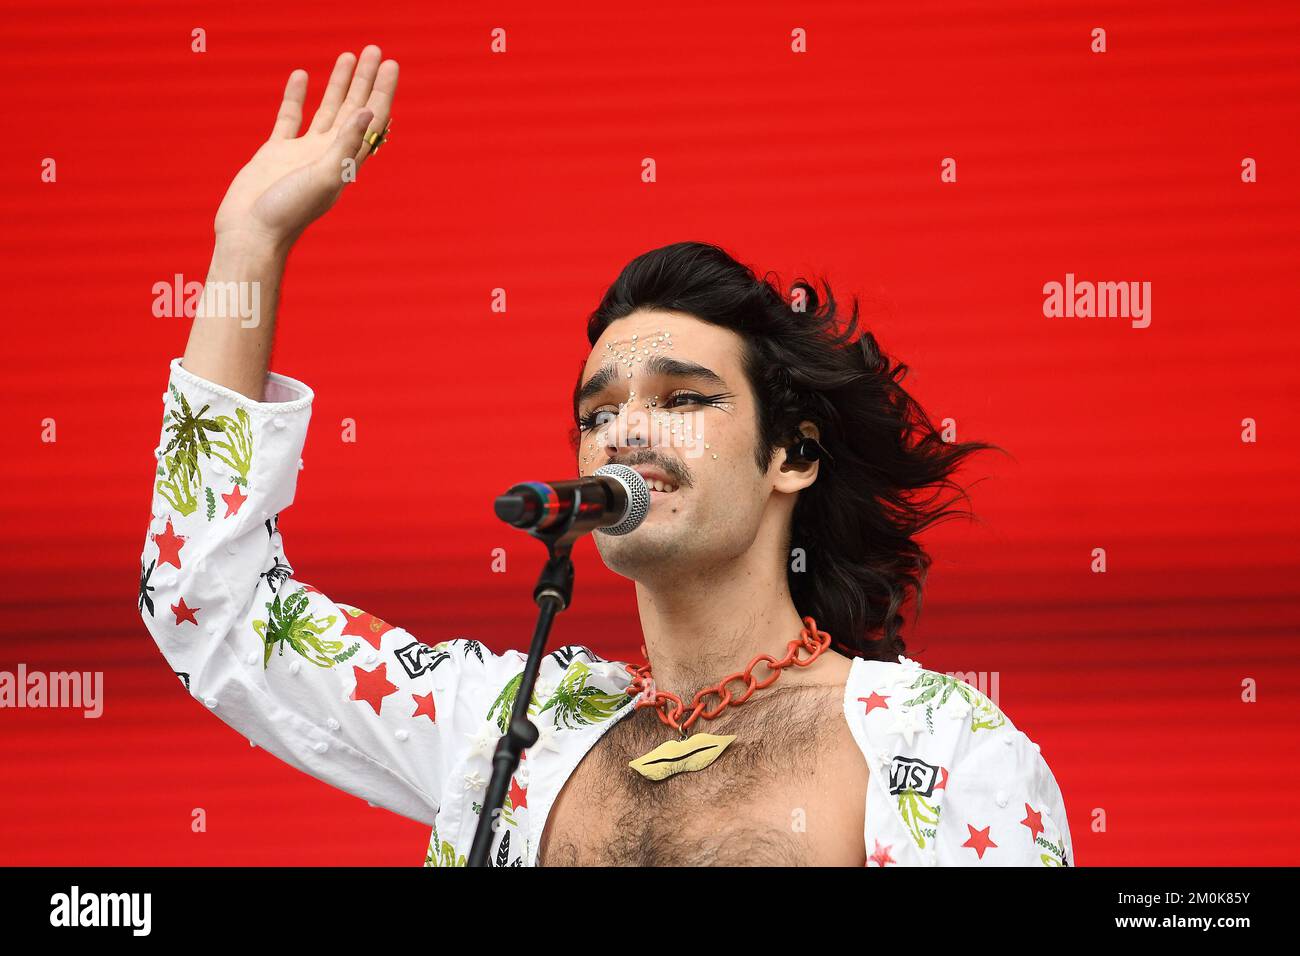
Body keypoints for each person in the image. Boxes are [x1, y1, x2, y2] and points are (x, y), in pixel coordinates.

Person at [137, 44, 1074, 867]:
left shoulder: (941, 746)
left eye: (682, 400)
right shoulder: (513, 726)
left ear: (791, 454)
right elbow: (215, 607)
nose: (627, 430)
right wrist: (247, 250)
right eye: (599, 411)